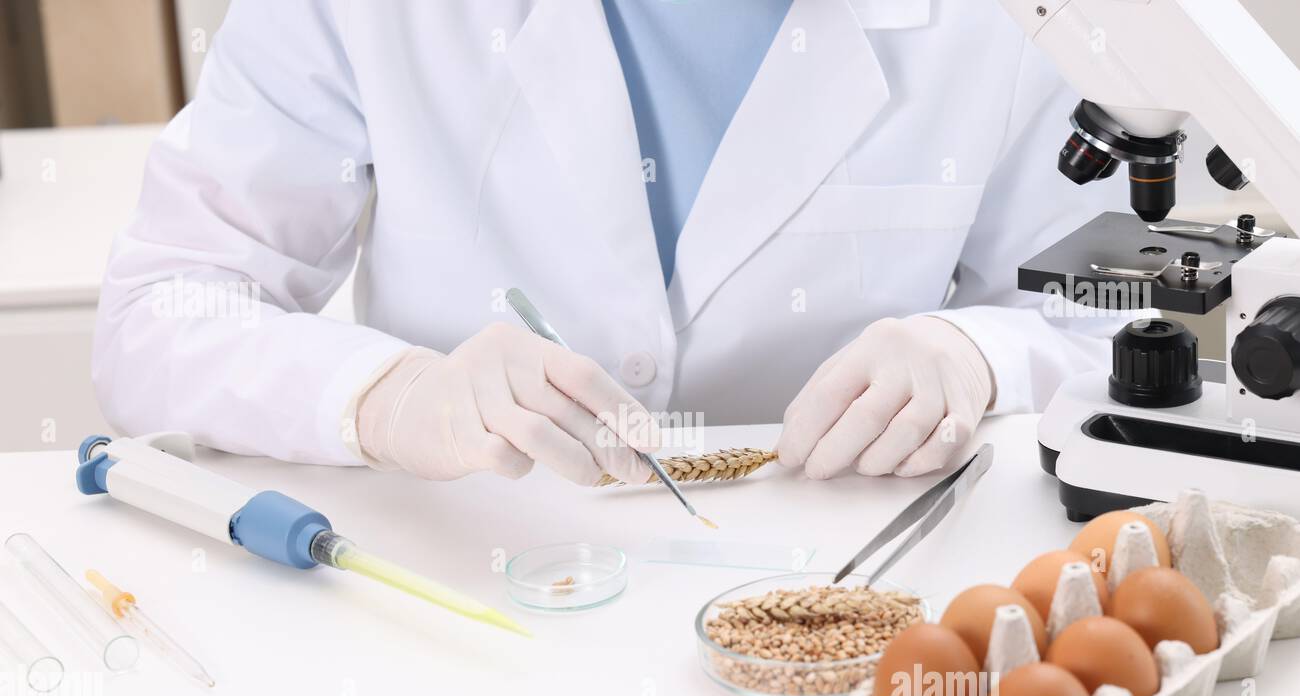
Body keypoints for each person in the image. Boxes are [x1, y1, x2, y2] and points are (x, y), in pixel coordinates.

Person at [94, 0, 1129, 485]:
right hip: (470, 583)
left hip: (861, 611)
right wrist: (383, 396)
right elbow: (163, 311)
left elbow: (1130, 331)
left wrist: (975, 358)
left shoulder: (1019, 17)